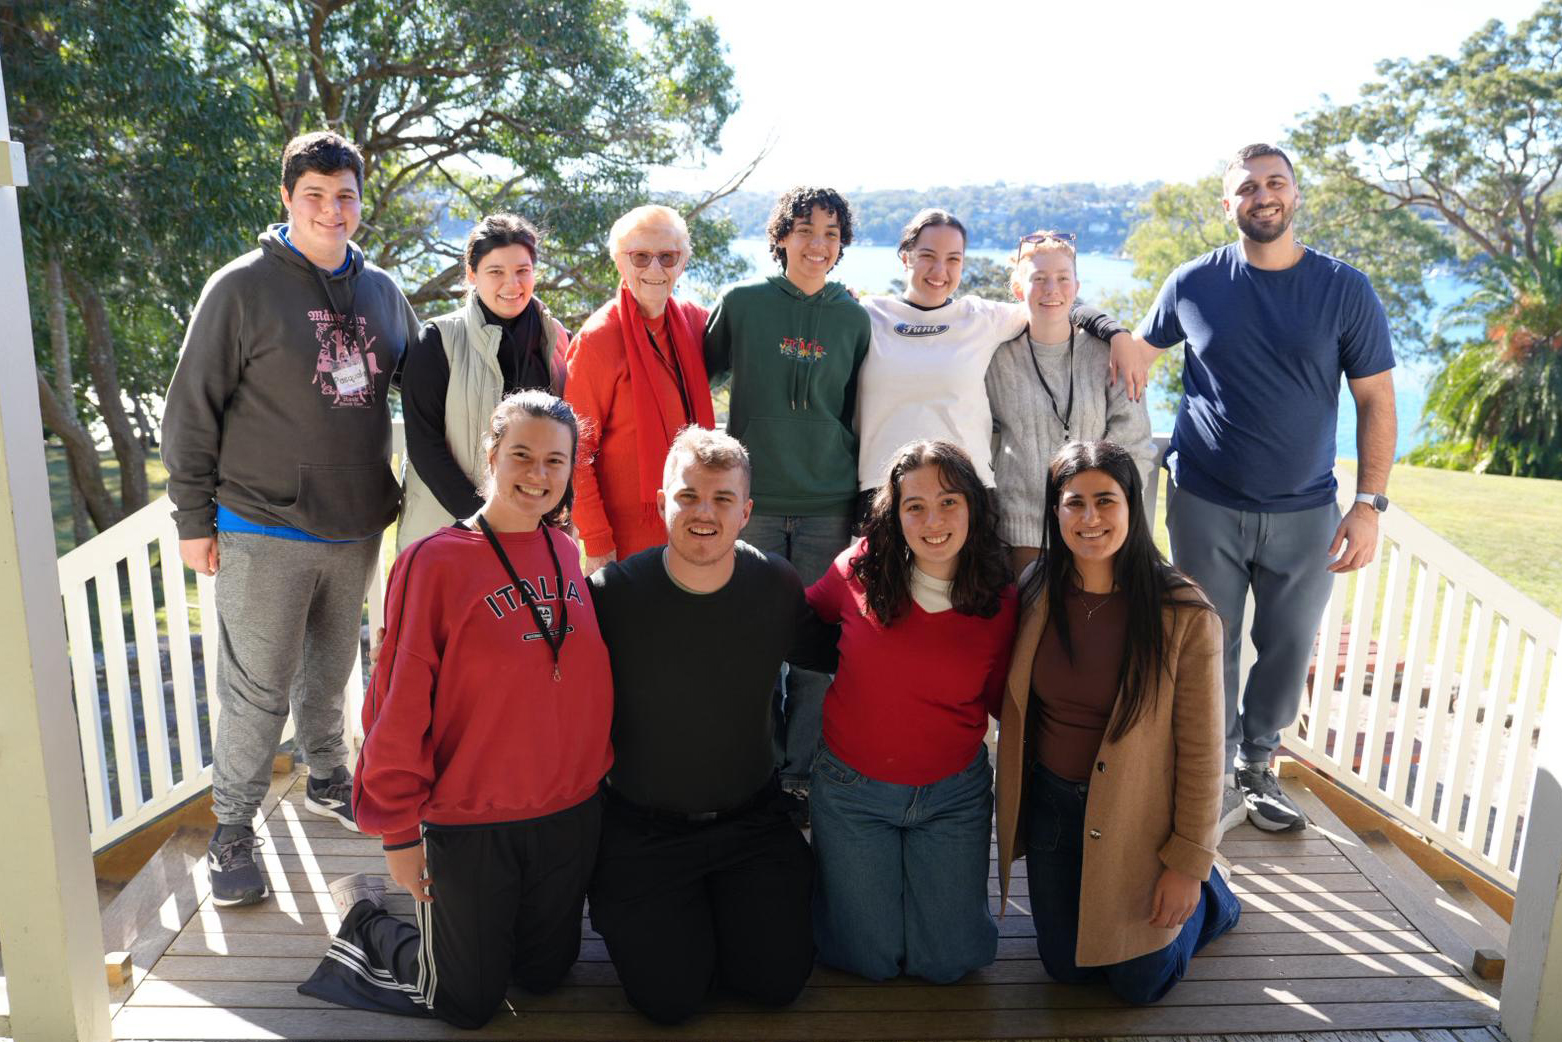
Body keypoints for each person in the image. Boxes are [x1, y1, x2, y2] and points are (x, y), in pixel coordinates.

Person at [298, 391, 614, 1029]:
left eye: (555, 460)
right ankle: (368, 919)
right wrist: (398, 831)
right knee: (466, 1002)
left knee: (545, 977)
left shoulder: (564, 550)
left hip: (566, 815)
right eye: (521, 455)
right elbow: (398, 703)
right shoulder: (433, 562)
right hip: (469, 821)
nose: (538, 474)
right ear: (491, 456)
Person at [161, 131, 419, 906]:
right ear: (287, 199)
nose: (332, 210)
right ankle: (233, 830)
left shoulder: (381, 289)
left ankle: (326, 776)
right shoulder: (240, 287)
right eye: (315, 195)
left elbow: (427, 372)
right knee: (256, 688)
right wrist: (190, 517)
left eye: (346, 196)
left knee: (333, 672)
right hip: (261, 522)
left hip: (356, 523)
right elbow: (190, 410)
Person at [1127, 143, 1397, 834]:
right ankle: (1207, 775)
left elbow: (1376, 400)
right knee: (1205, 643)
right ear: (1229, 205)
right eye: (1248, 187)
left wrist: (1368, 505)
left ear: (1296, 196)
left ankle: (1257, 765)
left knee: (1288, 645)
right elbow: (1131, 353)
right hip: (1205, 501)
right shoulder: (1192, 283)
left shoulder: (1345, 289)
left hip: (1306, 511)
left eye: (1276, 183)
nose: (1264, 195)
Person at [586, 427, 840, 1025]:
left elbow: (842, 649)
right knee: (670, 1001)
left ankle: (718, 917)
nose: (704, 512)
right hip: (643, 828)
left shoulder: (774, 585)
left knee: (776, 984)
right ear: (661, 502)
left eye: (723, 498)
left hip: (750, 820)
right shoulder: (614, 595)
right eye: (688, 496)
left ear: (746, 512)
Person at [994, 440, 1240, 1004]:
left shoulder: (1184, 613)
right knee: (1066, 969)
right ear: (1054, 512)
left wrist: (1187, 864)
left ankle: (1211, 900)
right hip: (1054, 806)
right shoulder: (1035, 589)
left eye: (1105, 501)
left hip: (1140, 817)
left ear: (1133, 505)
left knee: (1137, 985)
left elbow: (1204, 753)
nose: (1089, 518)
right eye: (1073, 502)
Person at [806, 440, 1017, 983]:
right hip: (853, 791)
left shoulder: (1001, 598)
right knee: (868, 961)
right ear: (893, 514)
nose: (933, 520)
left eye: (949, 501)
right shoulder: (859, 570)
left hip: (952, 797)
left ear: (974, 505)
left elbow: (1001, 699)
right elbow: (805, 618)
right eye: (914, 505)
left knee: (948, 964)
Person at [703, 186, 870, 803]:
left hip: (828, 503)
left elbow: (858, 409)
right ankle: (754, 772)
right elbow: (697, 376)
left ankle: (800, 778)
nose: (817, 244)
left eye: (830, 233)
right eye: (804, 230)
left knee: (814, 653)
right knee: (752, 648)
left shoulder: (854, 318)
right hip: (756, 503)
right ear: (781, 239)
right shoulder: (743, 304)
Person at [856, 209, 1134, 503]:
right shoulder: (867, 315)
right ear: (905, 258)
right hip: (882, 486)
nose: (940, 270)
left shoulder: (980, 317)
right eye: (928, 256)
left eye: (953, 259)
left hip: (966, 490)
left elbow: (1052, 304)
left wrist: (1116, 333)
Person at [397, 213, 571, 549]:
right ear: (472, 274)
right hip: (447, 536)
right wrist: (487, 523)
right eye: (496, 272)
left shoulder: (557, 340)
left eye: (523, 271)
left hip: (533, 536)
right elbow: (424, 446)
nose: (512, 284)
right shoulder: (438, 339)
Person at [987, 231, 1156, 573]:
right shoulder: (995, 358)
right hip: (1022, 538)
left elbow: (1135, 445)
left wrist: (1106, 516)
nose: (1052, 289)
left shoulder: (1110, 354)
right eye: (1039, 279)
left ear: (1077, 288)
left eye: (1063, 278)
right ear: (1019, 289)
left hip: (1098, 536)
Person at [565, 205, 716, 573]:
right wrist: (599, 542)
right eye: (640, 257)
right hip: (623, 544)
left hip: (695, 529)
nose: (654, 269)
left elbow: (753, 333)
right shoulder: (598, 339)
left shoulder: (695, 322)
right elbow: (574, 451)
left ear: (682, 263)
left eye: (667, 257)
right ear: (620, 262)